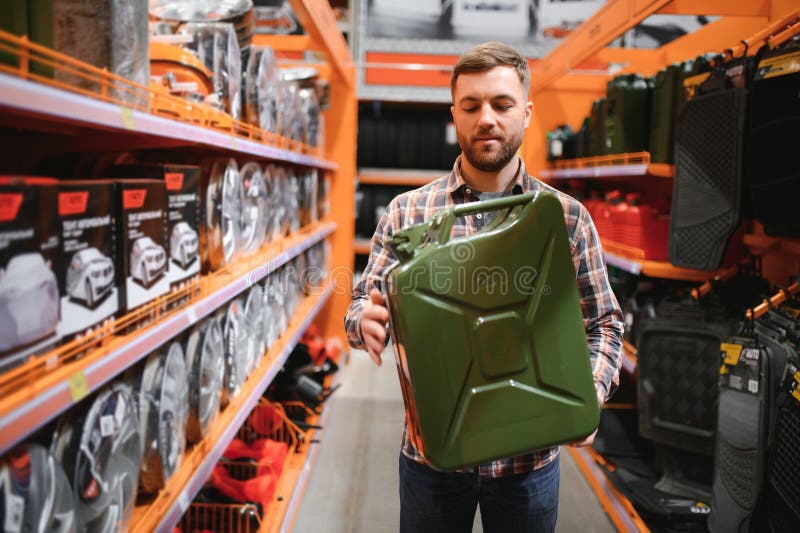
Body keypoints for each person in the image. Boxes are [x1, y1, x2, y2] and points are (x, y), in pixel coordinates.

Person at [344, 41, 623, 533]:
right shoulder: (408, 213)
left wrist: (590, 394)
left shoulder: (566, 220)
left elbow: (604, 323)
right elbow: (362, 307)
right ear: (455, 114)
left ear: (528, 112)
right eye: (471, 106)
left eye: (501, 104)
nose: (486, 119)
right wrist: (364, 322)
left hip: (528, 465)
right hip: (433, 460)